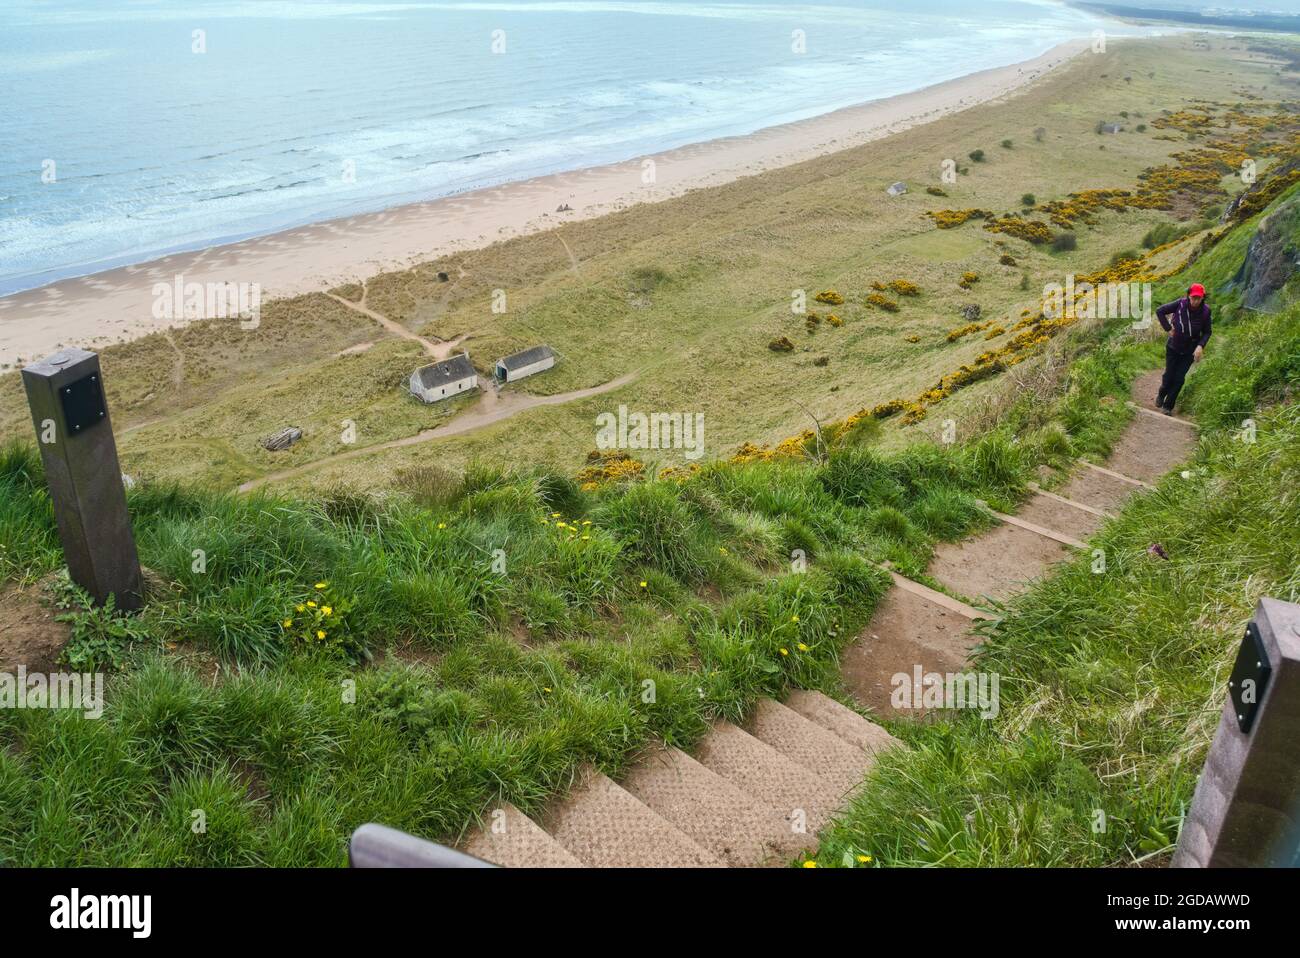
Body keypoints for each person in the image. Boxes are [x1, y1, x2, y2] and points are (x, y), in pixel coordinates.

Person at [1154, 283, 1212, 415]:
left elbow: (1207, 332)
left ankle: (1168, 406)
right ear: (1189, 296)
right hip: (1173, 346)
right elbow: (1160, 311)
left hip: (1189, 350)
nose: (1195, 301)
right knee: (1169, 375)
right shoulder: (1180, 304)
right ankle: (1161, 394)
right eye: (1193, 297)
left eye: (1199, 298)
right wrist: (1168, 329)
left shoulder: (1206, 311)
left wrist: (1200, 346)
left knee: (1179, 378)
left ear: (1203, 297)